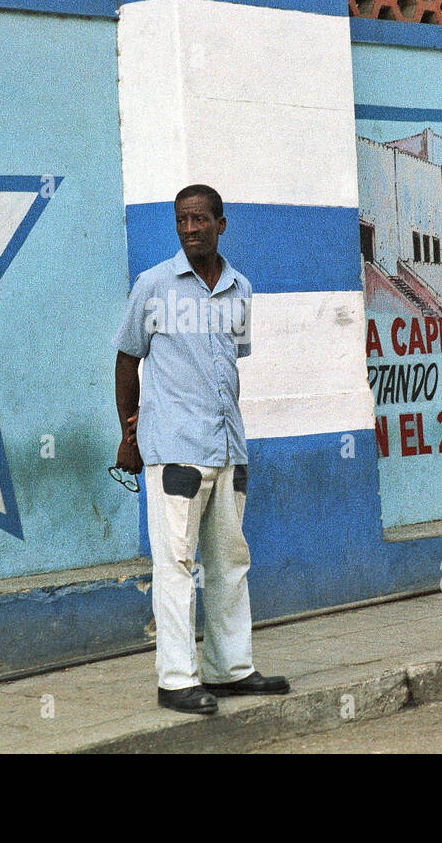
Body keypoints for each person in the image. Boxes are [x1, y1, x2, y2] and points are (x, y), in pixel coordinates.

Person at [112, 183, 288, 715]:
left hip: (229, 446)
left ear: (221, 223)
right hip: (176, 450)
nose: (190, 229)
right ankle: (176, 680)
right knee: (176, 565)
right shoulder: (154, 285)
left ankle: (231, 668)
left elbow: (230, 362)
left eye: (199, 220)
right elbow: (126, 359)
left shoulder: (241, 289)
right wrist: (128, 434)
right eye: (181, 221)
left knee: (230, 562)